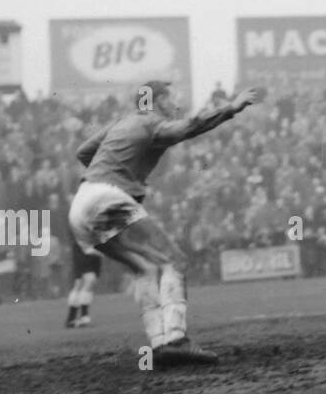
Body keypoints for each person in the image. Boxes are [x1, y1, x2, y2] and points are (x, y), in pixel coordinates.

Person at [67, 80, 262, 366]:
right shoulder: (152, 124)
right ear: (158, 100)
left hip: (80, 205)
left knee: (146, 268)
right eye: (173, 99)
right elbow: (191, 126)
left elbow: (84, 152)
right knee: (176, 261)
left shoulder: (122, 123)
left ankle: (159, 343)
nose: (178, 105)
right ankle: (177, 339)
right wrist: (231, 108)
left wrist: (113, 168)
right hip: (107, 198)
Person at [63, 226, 102, 328]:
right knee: (89, 280)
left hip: (89, 250)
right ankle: (84, 316)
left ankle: (71, 319)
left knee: (80, 283)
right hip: (84, 250)